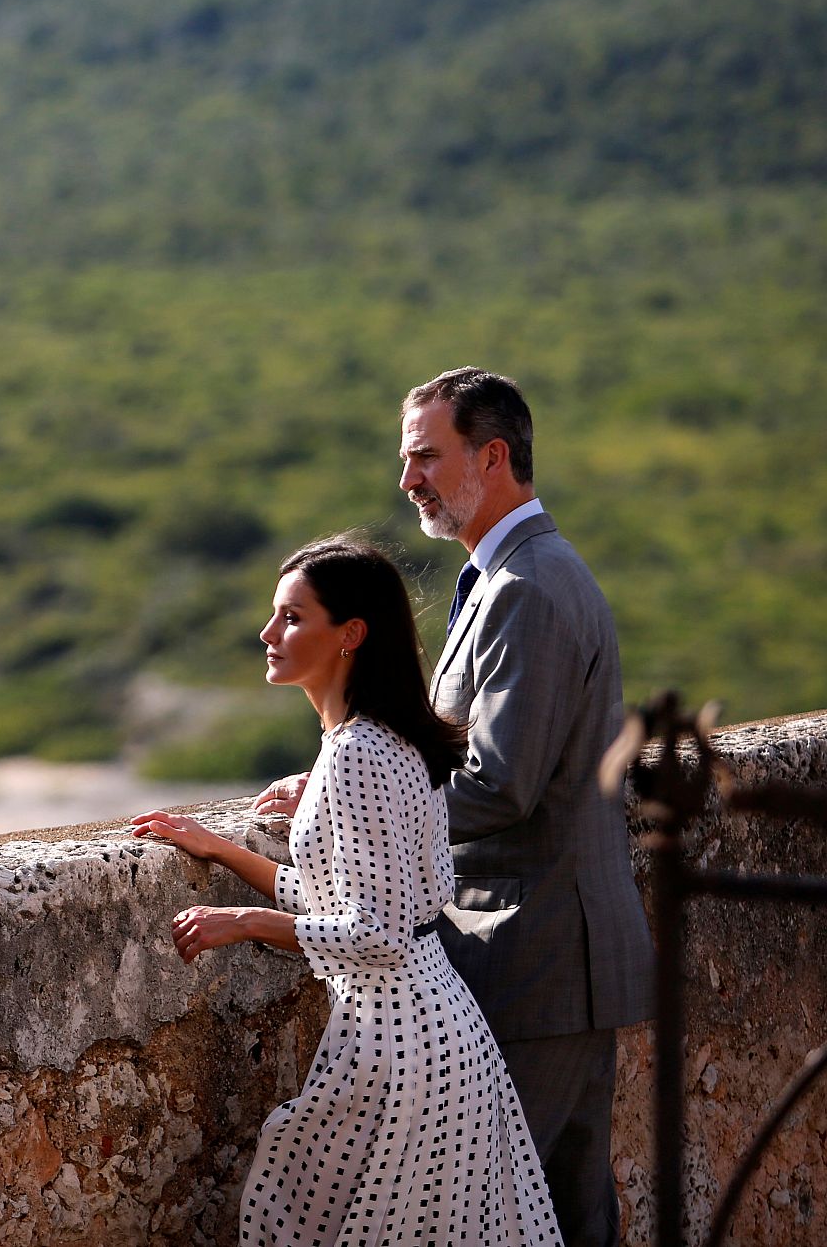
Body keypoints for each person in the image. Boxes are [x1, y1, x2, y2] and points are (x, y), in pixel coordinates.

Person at [254, 369, 653, 1246]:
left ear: (494, 455)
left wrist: (358, 800)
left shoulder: (527, 588)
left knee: (497, 1220)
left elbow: (502, 783)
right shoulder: (513, 573)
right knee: (568, 1219)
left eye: (427, 456)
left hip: (535, 955)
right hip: (557, 956)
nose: (409, 480)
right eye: (408, 459)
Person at [133, 536, 560, 1246]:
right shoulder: (386, 739)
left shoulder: (358, 754)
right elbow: (360, 901)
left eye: (292, 618)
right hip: (439, 1034)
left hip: (398, 1048)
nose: (269, 634)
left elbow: (377, 935)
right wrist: (224, 850)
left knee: (292, 1211)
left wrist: (243, 922)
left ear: (349, 635)